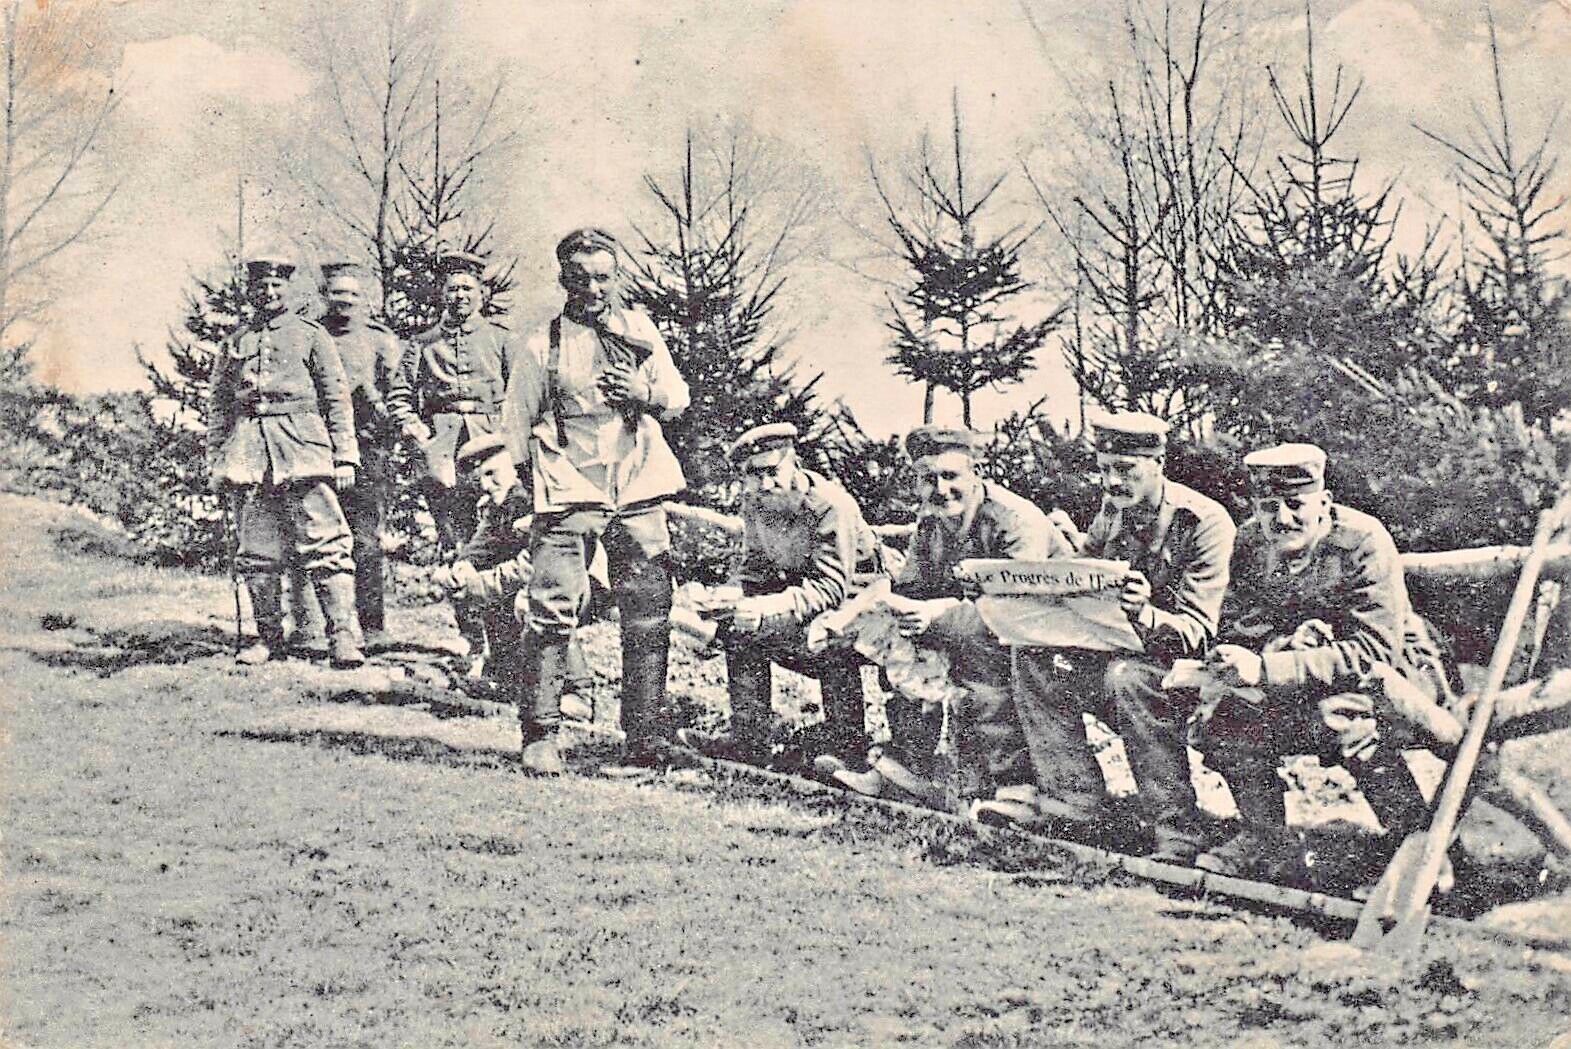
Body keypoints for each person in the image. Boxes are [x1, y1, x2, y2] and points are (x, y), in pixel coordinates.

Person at [979, 413, 1236, 861]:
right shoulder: (1113, 511)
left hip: (1194, 670)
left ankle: (1176, 827)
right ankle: (1074, 802)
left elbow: (1201, 630)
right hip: (1119, 650)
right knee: (1031, 655)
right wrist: (1007, 586)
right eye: (1106, 468)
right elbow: (1076, 577)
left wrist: (1148, 614)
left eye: (1126, 469)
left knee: (1127, 678)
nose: (1113, 481)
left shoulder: (1204, 523)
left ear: (1159, 462)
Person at [1191, 443, 1448, 879]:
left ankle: (1419, 847)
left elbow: (1374, 652)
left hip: (1396, 679)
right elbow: (1235, 626)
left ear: (1324, 502)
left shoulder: (1363, 541)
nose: (1283, 518)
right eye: (1269, 506)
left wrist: (1271, 666)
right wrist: (1283, 645)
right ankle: (1268, 841)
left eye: (1295, 504)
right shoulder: (1252, 542)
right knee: (1226, 718)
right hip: (1304, 677)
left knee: (1341, 719)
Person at [500, 227, 689, 775]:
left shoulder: (641, 332)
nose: (592, 288)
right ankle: (540, 733)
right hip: (570, 482)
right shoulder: (544, 344)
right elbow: (516, 421)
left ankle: (645, 736)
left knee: (649, 606)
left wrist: (643, 395)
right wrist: (526, 486)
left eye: (603, 277)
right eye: (580, 278)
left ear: (616, 277)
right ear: (563, 279)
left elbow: (676, 398)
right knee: (554, 607)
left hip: (636, 479)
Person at [834, 426, 1075, 805]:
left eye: (950, 476)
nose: (940, 489)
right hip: (970, 623)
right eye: (928, 479)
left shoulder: (1013, 520)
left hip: (1039, 634)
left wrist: (933, 613)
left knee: (979, 661)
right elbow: (911, 587)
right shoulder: (931, 524)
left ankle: (1014, 787)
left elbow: (1013, 607)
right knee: (900, 639)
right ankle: (910, 768)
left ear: (975, 473)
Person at [676, 423, 878, 773]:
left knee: (828, 637)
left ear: (793, 462)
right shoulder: (756, 503)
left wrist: (766, 608)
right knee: (738, 629)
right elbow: (754, 568)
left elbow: (831, 587)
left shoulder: (830, 506)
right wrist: (729, 595)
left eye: (773, 471)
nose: (765, 483)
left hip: (859, 603)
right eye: (754, 475)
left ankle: (848, 748)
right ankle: (749, 741)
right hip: (801, 596)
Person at [206, 255, 364, 668]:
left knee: (327, 544)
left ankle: (342, 637)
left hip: (304, 448)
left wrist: (345, 456)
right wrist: (217, 461)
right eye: (261, 286)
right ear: (251, 290)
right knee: (258, 551)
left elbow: (336, 398)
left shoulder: (311, 335)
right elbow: (221, 406)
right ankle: (268, 637)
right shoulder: (235, 341)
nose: (269, 293)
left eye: (277, 286)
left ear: (289, 289)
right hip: (250, 455)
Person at [386, 250, 517, 665]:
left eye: (467, 288)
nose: (460, 296)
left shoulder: (501, 340)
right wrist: (416, 431)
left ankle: (505, 646)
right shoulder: (421, 345)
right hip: (442, 451)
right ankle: (471, 637)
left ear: (481, 293)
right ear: (441, 294)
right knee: (455, 545)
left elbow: (522, 395)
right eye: (452, 289)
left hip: (491, 444)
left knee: (497, 542)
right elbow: (400, 397)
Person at [432, 433, 594, 719]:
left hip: (580, 581)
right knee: (500, 597)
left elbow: (532, 565)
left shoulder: (542, 496)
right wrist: (464, 567)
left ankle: (577, 693)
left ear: (515, 464)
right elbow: (484, 543)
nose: (486, 484)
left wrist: (479, 584)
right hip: (542, 579)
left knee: (537, 603)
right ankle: (508, 680)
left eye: (493, 474)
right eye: (481, 477)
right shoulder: (502, 503)